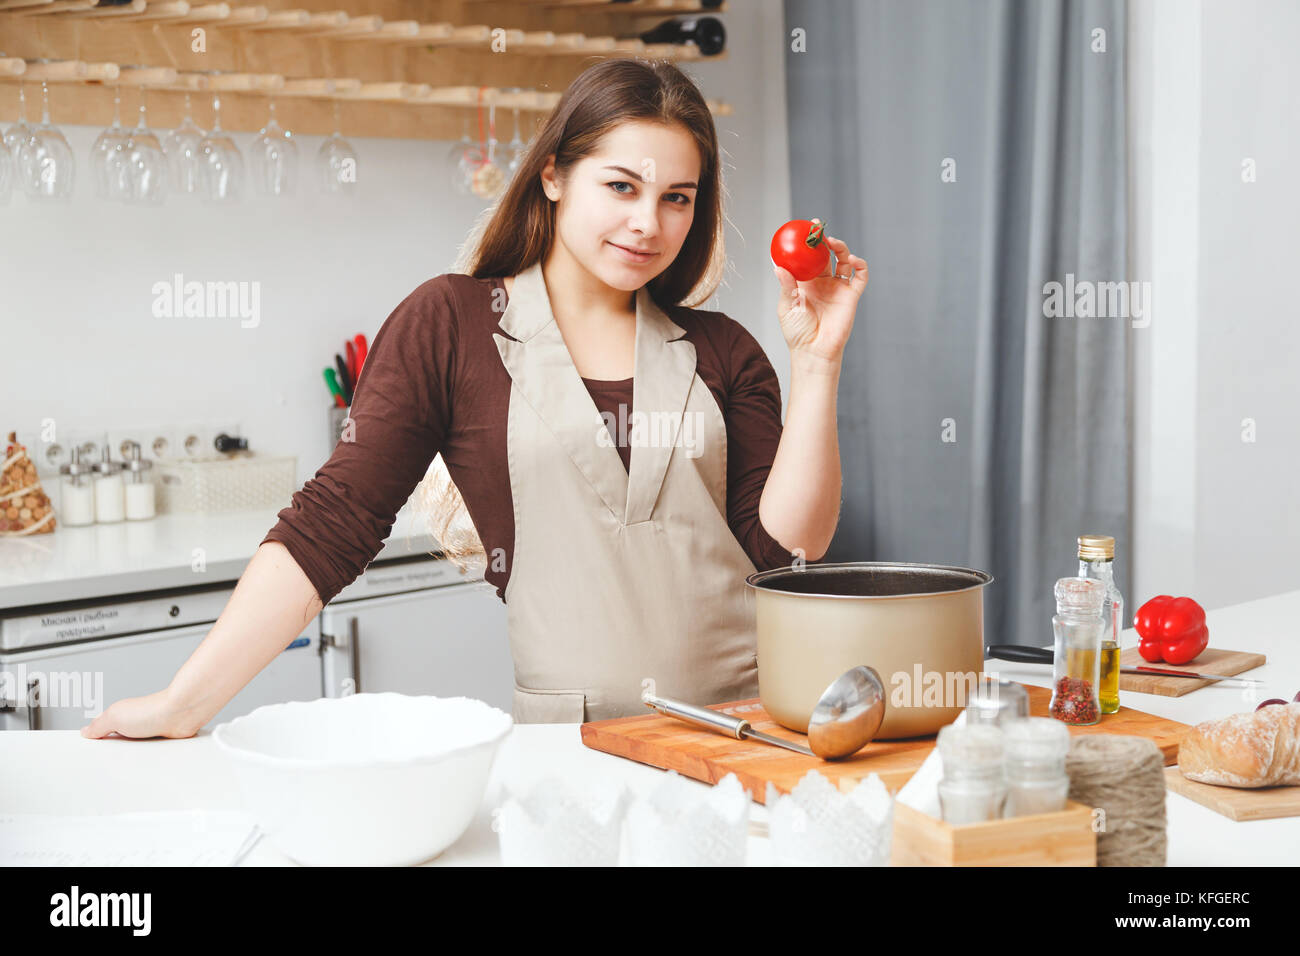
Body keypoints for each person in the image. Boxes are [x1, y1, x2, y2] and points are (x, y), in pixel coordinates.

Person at [82, 57, 867, 739]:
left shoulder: (721, 349)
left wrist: (820, 363)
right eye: (621, 186)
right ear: (554, 174)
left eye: (677, 198)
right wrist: (185, 703)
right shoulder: (453, 324)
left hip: (740, 733)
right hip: (570, 752)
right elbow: (334, 522)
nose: (646, 222)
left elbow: (789, 551)